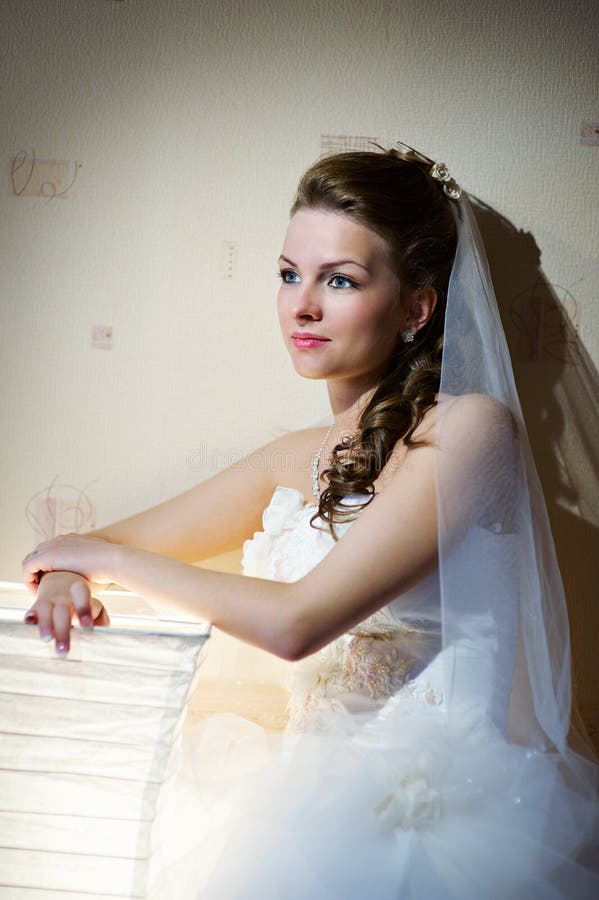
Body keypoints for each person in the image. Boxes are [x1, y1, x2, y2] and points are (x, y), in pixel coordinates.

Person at [21, 146, 599, 899]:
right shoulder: (289, 459)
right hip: (299, 810)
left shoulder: (471, 431)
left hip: (445, 820)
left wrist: (100, 559)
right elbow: (118, 541)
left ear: (417, 307)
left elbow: (297, 625)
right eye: (289, 274)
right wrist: (70, 568)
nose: (302, 305)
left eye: (340, 280)